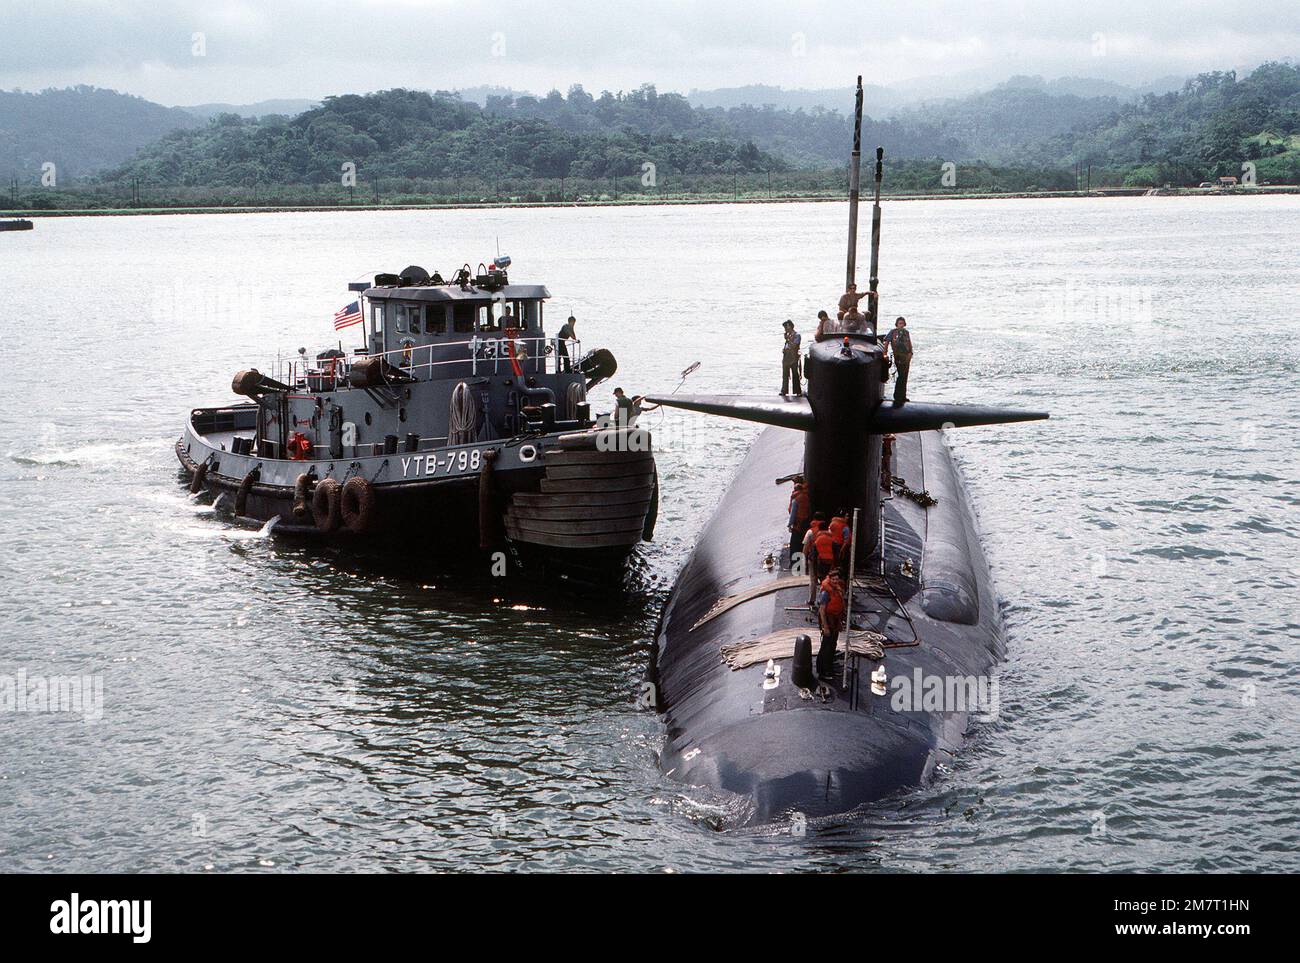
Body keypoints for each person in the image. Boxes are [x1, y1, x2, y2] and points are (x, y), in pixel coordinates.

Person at [816, 570, 847, 678]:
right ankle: (822, 671)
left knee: (833, 644)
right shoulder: (825, 592)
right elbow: (822, 610)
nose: (835, 581)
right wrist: (825, 627)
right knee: (826, 646)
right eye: (833, 579)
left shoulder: (837, 589)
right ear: (829, 579)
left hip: (835, 621)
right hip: (828, 621)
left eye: (836, 579)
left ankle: (829, 667)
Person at [884, 317, 912, 404]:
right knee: (901, 375)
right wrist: (885, 353)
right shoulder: (893, 332)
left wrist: (910, 353)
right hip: (898, 356)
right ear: (897, 324)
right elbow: (886, 342)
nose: (901, 325)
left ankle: (902, 395)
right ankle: (897, 396)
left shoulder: (906, 333)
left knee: (905, 376)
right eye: (900, 323)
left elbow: (909, 344)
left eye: (902, 323)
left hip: (906, 356)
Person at [802, 513, 826, 604]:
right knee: (824, 579)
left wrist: (803, 559)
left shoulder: (810, 532)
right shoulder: (828, 531)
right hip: (824, 560)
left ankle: (812, 600)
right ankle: (823, 600)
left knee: (813, 579)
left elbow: (805, 547)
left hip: (813, 559)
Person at [788, 480, 811, 559]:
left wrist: (789, 524)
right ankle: (802, 559)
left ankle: (794, 562)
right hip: (806, 521)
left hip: (798, 523)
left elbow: (793, 513)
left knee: (794, 543)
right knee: (803, 541)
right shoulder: (806, 496)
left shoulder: (796, 499)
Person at [780, 320, 802, 396]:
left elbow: (795, 346)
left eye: (786, 327)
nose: (785, 329)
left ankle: (798, 391)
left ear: (789, 326)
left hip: (793, 356)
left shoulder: (797, 335)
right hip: (786, 356)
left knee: (795, 374)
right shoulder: (788, 335)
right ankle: (784, 391)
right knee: (785, 374)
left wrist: (788, 340)